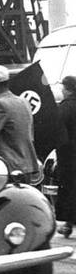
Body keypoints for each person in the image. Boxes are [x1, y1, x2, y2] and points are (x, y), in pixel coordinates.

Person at [55, 74, 76, 237]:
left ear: (67, 89)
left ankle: (68, 223)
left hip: (69, 154)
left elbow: (59, 131)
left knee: (70, 187)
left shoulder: (65, 107)